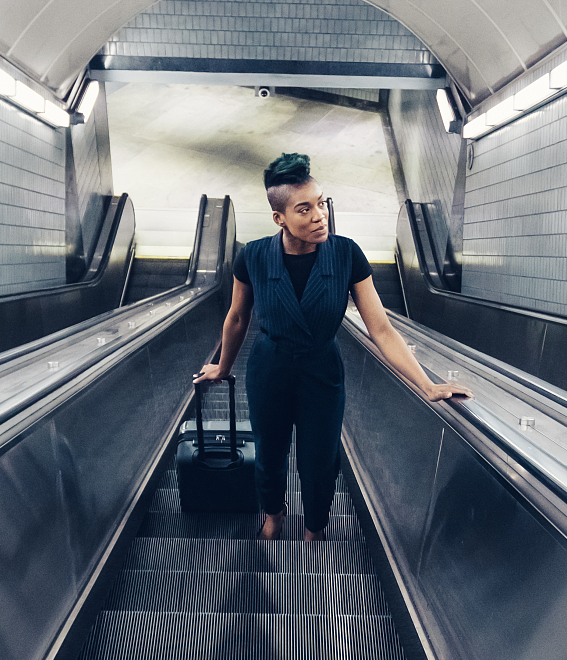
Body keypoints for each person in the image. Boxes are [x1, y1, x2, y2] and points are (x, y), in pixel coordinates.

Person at [195, 152, 471, 540]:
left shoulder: (346, 255)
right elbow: (238, 318)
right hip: (269, 368)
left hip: (321, 370)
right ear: (280, 219)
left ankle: (314, 527)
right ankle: (274, 515)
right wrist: (223, 368)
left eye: (321, 203)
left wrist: (426, 384)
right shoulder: (254, 256)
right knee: (270, 456)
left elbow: (381, 328)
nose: (318, 215)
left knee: (320, 462)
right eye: (304, 209)